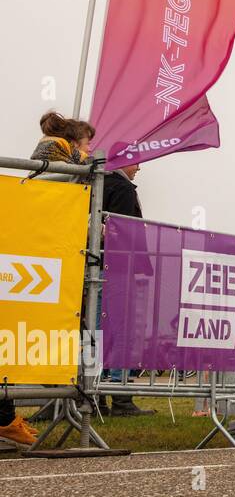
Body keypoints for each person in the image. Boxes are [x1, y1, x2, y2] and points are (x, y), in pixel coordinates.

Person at [97, 162, 154, 416]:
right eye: (136, 163)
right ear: (125, 161)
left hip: (96, 267)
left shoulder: (95, 184)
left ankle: (92, 395)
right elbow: (122, 231)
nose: (139, 168)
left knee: (95, 332)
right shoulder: (122, 189)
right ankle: (120, 398)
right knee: (122, 332)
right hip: (119, 270)